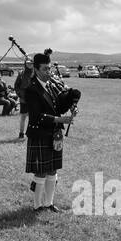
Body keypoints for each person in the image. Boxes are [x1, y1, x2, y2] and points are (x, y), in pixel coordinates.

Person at [24, 52, 78, 212]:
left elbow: (59, 107)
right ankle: (37, 205)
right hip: (39, 133)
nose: (49, 72)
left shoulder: (51, 86)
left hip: (54, 134)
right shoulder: (31, 89)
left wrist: (71, 102)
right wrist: (60, 120)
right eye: (45, 69)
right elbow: (36, 117)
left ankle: (49, 203)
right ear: (36, 69)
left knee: (53, 169)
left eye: (49, 69)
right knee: (41, 171)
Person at [14, 57, 34, 138]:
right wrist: (20, 94)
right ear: (25, 64)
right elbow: (16, 86)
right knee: (23, 117)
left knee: (33, 117)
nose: (29, 64)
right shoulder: (21, 73)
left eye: (31, 63)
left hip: (33, 99)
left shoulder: (35, 73)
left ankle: (31, 133)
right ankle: (21, 133)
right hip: (24, 99)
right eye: (27, 63)